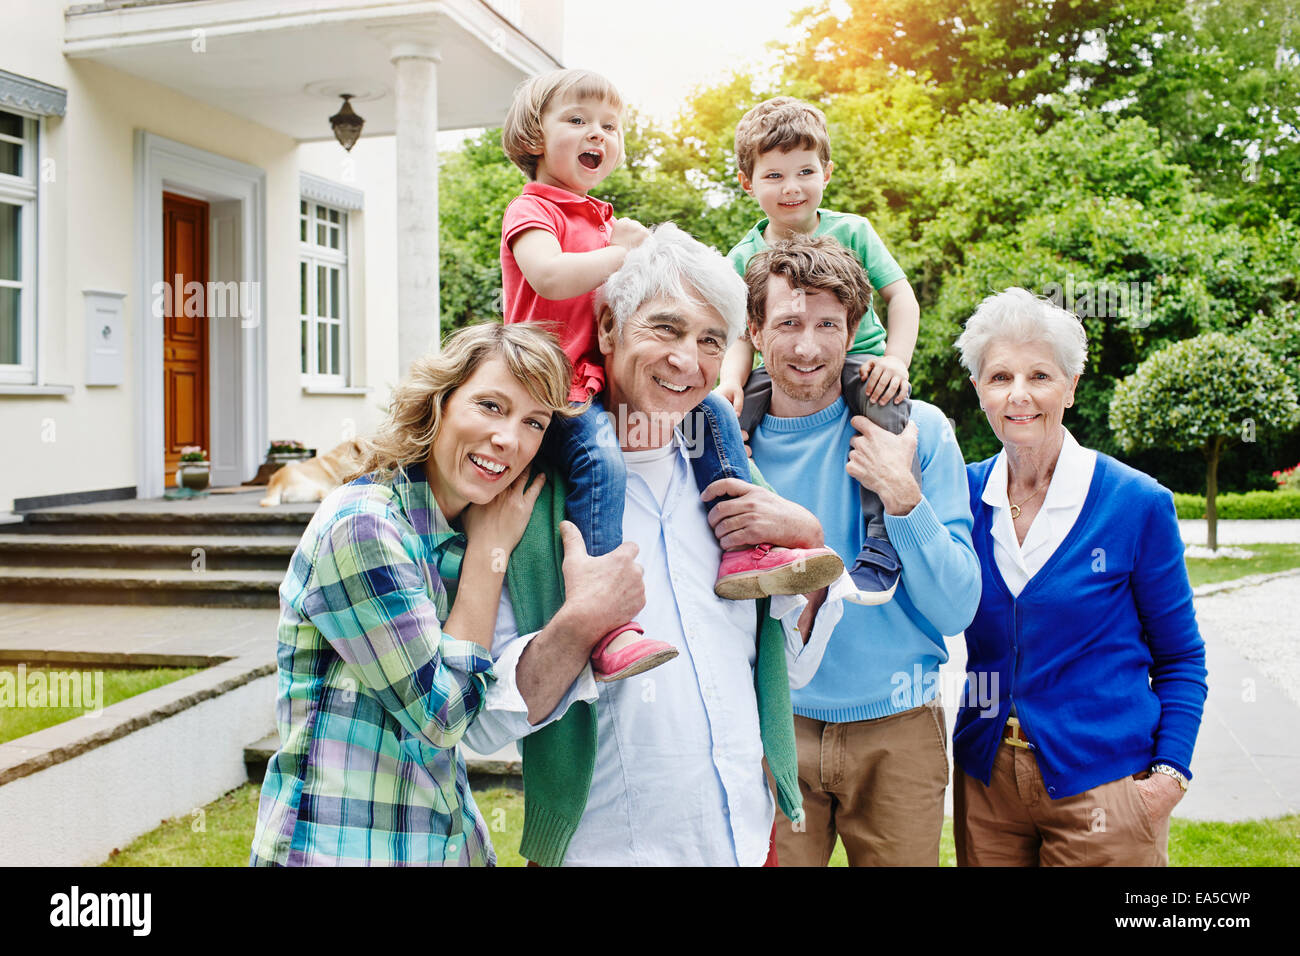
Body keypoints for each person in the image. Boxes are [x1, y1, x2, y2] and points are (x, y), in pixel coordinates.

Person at [464, 223, 833, 866]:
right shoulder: (525, 505)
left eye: (710, 340)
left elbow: (789, 667)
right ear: (608, 330)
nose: (687, 361)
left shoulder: (735, 485)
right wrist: (580, 626)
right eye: (665, 328)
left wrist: (812, 557)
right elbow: (485, 720)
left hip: (745, 843)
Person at [499, 71, 842, 682]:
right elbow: (550, 278)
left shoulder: (600, 220)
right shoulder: (535, 210)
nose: (596, 134)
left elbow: (795, 671)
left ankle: (745, 549)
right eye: (576, 120)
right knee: (601, 459)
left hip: (589, 378)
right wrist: (626, 252)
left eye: (609, 125)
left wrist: (803, 534)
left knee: (712, 411)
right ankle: (608, 617)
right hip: (552, 388)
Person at [249, 323, 577, 866]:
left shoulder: (453, 529)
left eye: (534, 422)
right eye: (491, 406)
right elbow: (441, 718)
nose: (509, 439)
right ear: (439, 403)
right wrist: (488, 558)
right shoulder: (365, 528)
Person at [741, 235, 982, 866]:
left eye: (827, 324)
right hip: (771, 727)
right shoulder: (725, 443)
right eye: (788, 323)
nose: (807, 346)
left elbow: (957, 608)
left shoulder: (919, 430)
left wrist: (903, 498)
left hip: (899, 728)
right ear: (755, 329)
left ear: (853, 332)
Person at [952, 287, 1208, 866]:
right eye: (1000, 378)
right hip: (987, 780)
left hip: (1103, 782)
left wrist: (1169, 775)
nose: (1019, 395)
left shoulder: (1136, 503)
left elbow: (1181, 658)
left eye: (1040, 375)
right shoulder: (962, 497)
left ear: (1070, 387)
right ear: (979, 392)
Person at [718, 96, 924, 602]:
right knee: (720, 426)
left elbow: (902, 296)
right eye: (773, 176)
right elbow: (742, 336)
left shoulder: (851, 230)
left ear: (826, 172)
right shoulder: (744, 256)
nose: (791, 188)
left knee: (886, 418)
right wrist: (729, 382)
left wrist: (895, 359)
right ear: (748, 182)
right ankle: (742, 541)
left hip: (859, 362)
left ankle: (880, 546)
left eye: (804, 171)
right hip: (781, 369)